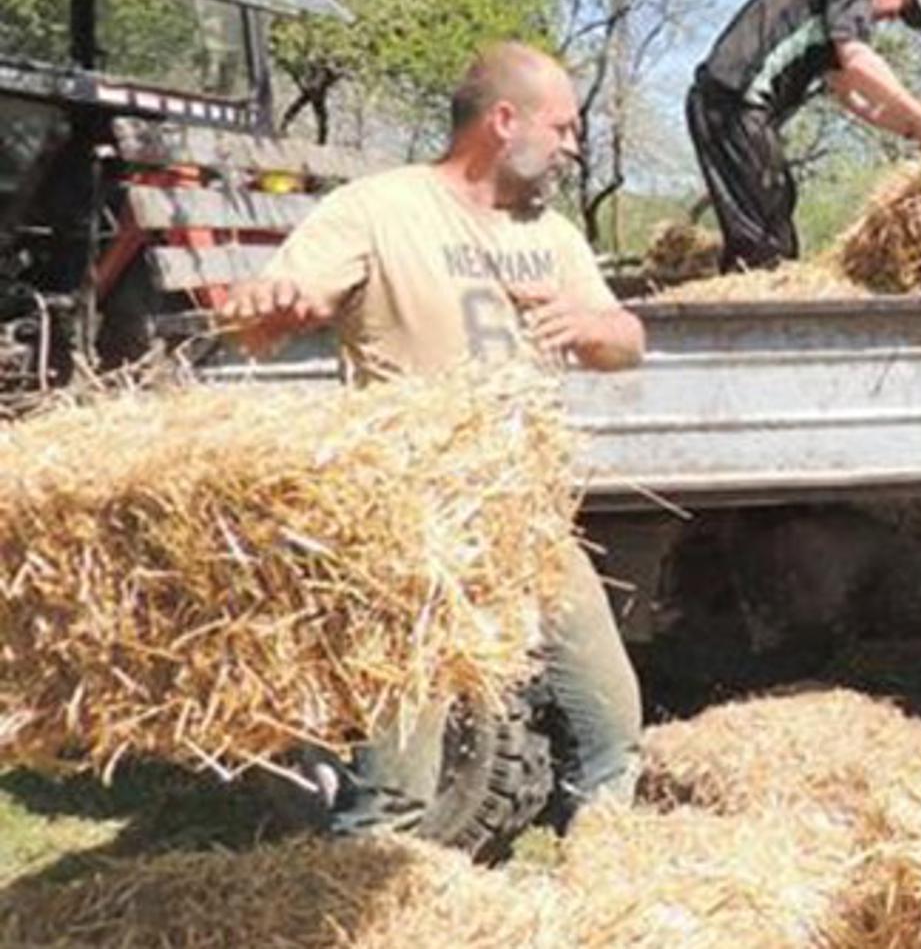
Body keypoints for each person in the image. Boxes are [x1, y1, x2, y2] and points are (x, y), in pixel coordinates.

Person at [222, 41, 647, 839]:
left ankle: (604, 865)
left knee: (610, 730)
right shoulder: (379, 209)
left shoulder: (550, 232)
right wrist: (271, 306)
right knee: (398, 783)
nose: (573, 144)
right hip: (414, 527)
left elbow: (628, 341)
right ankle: (363, 890)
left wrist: (592, 325)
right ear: (503, 121)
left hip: (527, 515)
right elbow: (267, 315)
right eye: (563, 126)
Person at [686, 0, 921, 271]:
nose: (891, 18)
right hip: (730, 102)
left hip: (733, 109)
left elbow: (850, 92)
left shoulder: (830, 10)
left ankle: (761, 292)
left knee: (777, 203)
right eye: (899, 7)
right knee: (764, 233)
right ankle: (754, 305)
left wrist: (914, 130)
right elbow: (859, 61)